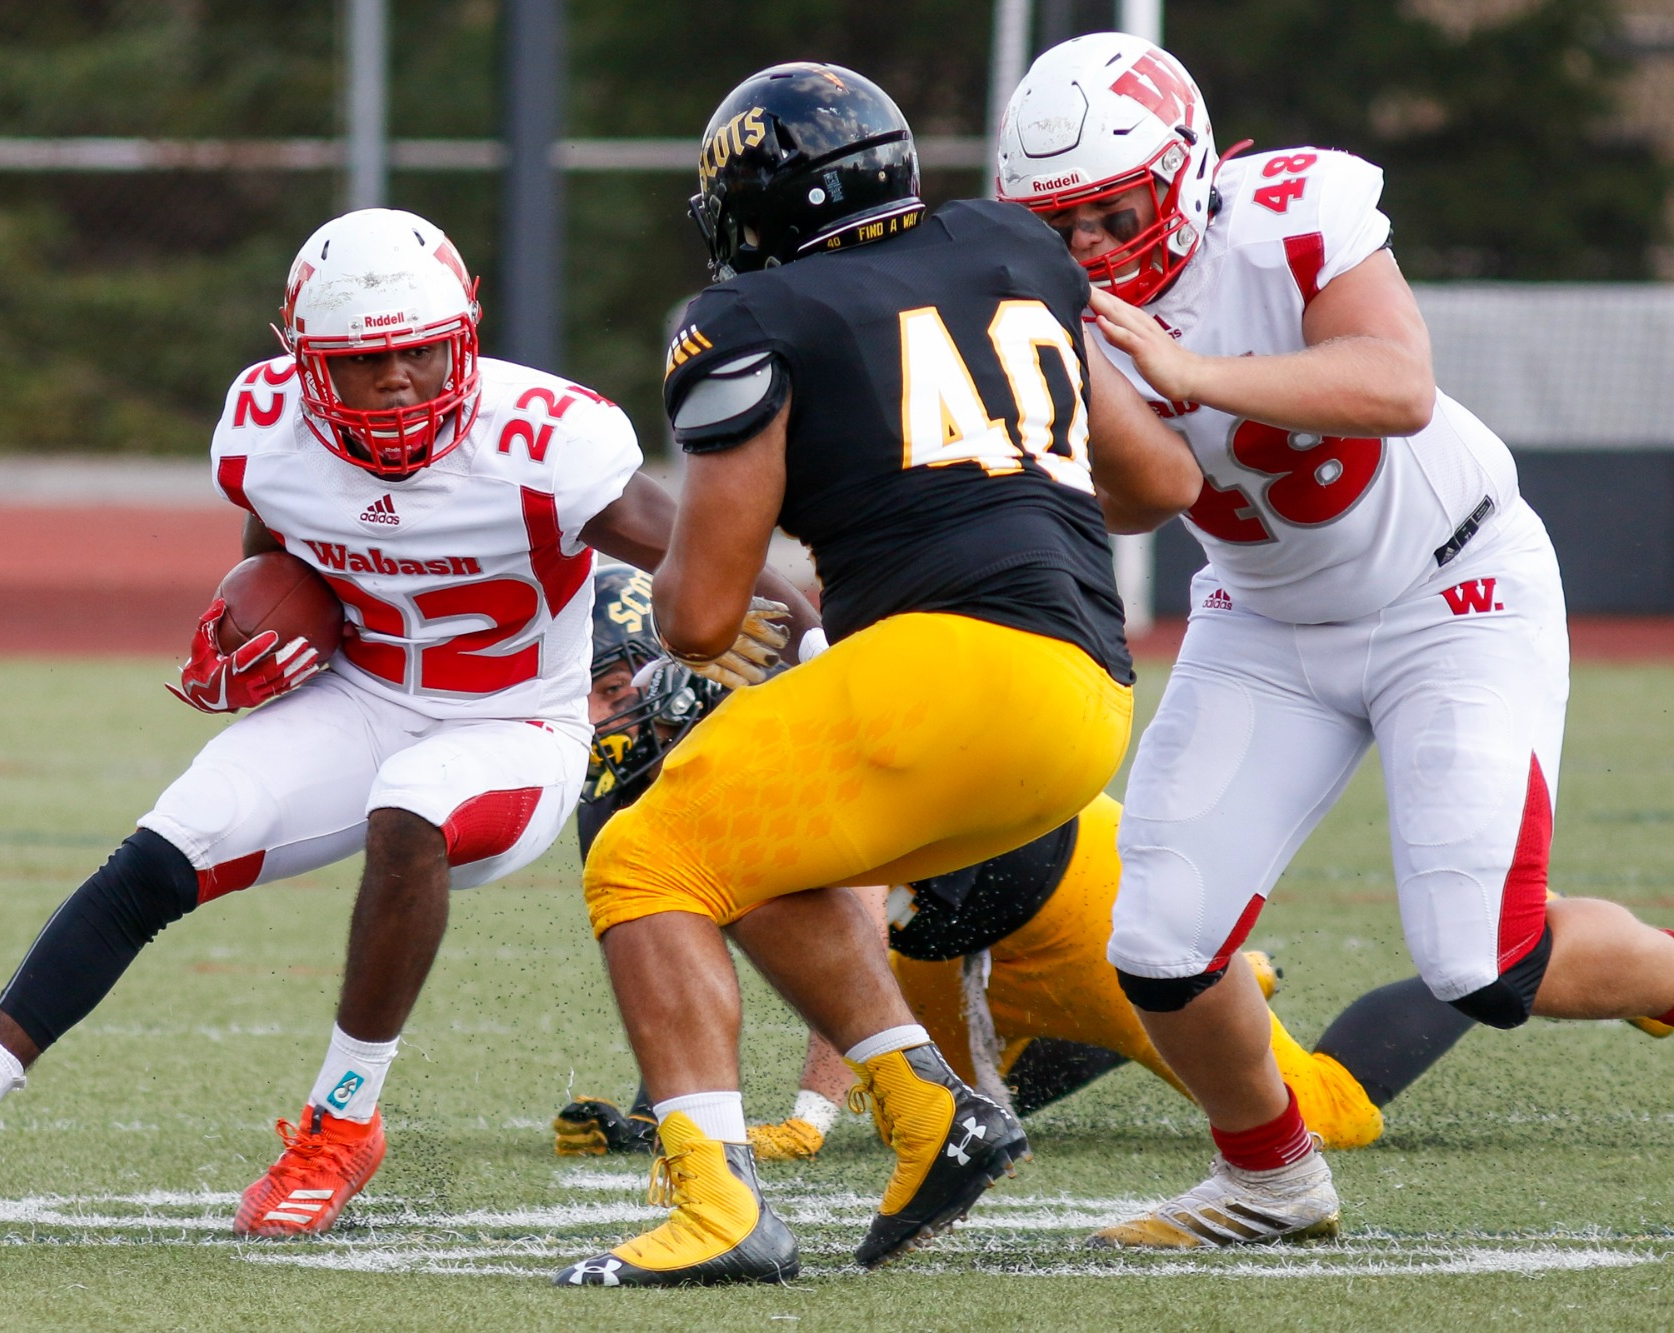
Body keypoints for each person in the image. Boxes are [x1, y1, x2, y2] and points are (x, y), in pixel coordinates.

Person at [0, 207, 815, 1237]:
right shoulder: (268, 431)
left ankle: (340, 1123)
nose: (397, 380)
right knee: (172, 839)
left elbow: (707, 553)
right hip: (358, 698)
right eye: (366, 361)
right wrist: (253, 629)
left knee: (413, 805)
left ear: (464, 339)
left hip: (513, 725)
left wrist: (818, 642)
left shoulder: (539, 440)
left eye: (418, 353)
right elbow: (279, 551)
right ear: (307, 366)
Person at [998, 32, 1674, 1250]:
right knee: (1155, 940)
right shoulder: (1035, 309)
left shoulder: (1285, 216)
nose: (1090, 246)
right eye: (1060, 224)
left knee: (1485, 962)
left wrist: (1189, 368)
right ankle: (1268, 1181)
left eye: (1113, 209)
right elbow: (1148, 495)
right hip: (1262, 615)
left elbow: (1393, 384)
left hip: (1450, 591)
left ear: (1187, 169)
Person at [555, 63, 1201, 1289]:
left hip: (943, 674)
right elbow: (1160, 484)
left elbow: (695, 613)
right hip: (1085, 701)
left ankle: (713, 1202)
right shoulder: (1013, 249)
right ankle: (924, 1108)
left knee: (637, 856)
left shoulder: (746, 319)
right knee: (747, 850)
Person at [553, 569, 1470, 1164]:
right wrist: (661, 1110)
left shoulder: (782, 708)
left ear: (676, 667)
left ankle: (1497, 947)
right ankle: (1206, 1000)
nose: (595, 716)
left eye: (608, 687)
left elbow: (850, 906)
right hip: (940, 941)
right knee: (924, 1112)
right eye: (578, 693)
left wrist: (808, 1112)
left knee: (1321, 1117)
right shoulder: (621, 790)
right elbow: (675, 941)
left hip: (1069, 905)